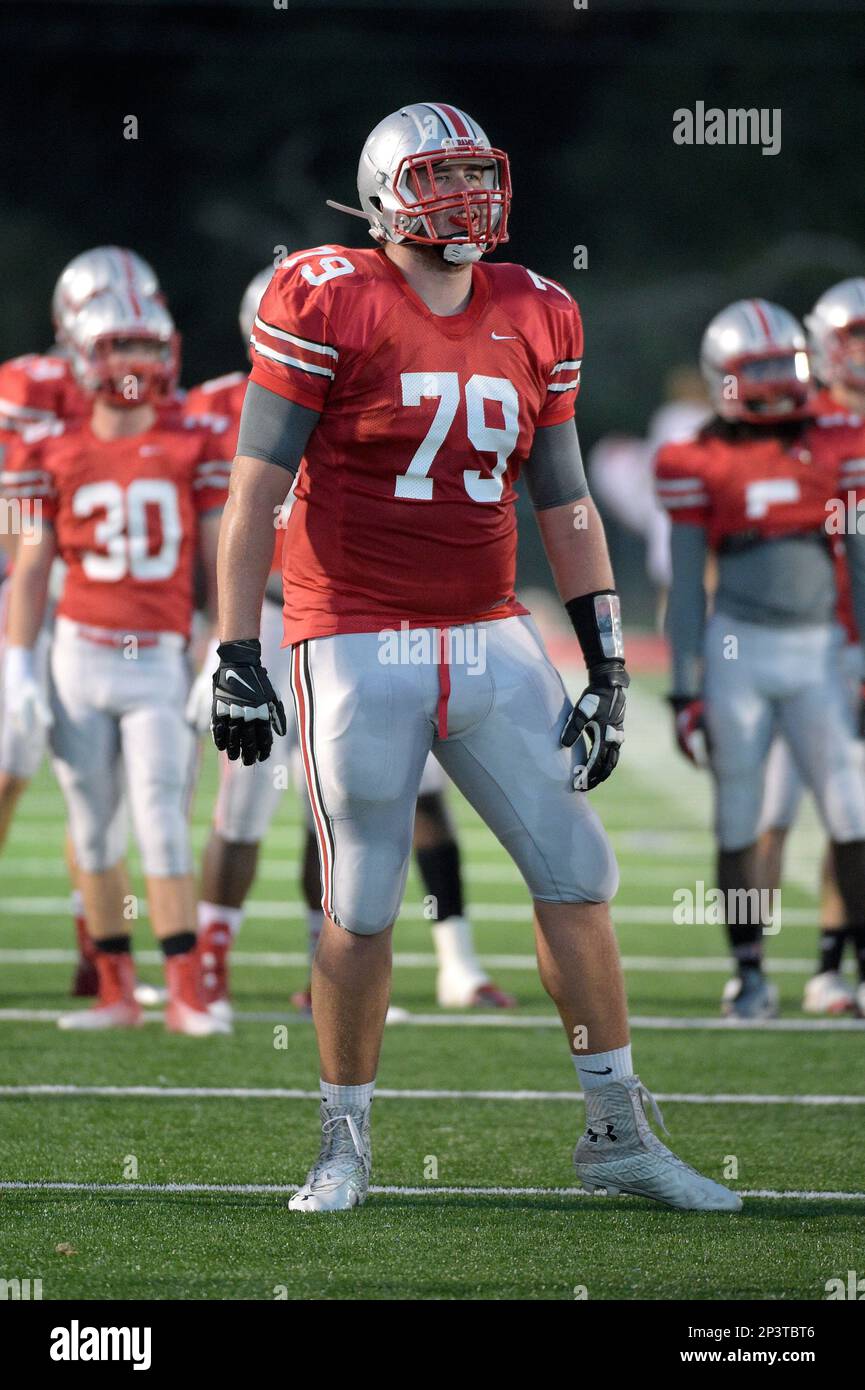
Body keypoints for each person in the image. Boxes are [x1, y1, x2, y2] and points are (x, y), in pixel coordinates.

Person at [210, 102, 740, 1213]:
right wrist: (236, 651)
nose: (465, 195)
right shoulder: (328, 296)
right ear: (383, 192)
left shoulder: (538, 307)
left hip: (493, 627)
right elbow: (255, 486)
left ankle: (614, 1130)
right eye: (437, 175)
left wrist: (602, 652)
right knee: (361, 896)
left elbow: (564, 492)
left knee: (578, 874)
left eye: (474, 172)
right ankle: (342, 1140)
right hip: (352, 629)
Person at [184, 269, 515, 1020]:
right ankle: (206, 965)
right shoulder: (215, 406)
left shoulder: (369, 383)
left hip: (345, 614)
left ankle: (323, 966)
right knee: (243, 803)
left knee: (332, 800)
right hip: (263, 616)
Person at [2, 283, 231, 1034]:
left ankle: (188, 992)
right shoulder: (46, 450)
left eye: (146, 344)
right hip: (77, 657)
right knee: (94, 828)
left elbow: (216, 563)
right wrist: (19, 664)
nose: (135, 360)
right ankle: (115, 991)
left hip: (160, 659)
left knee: (163, 821)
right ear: (81, 355)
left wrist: (219, 651)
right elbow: (31, 566)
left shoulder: (194, 443)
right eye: (117, 345)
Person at [656, 298, 865, 1019]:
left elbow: (858, 562)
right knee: (740, 818)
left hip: (819, 649)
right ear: (723, 378)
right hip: (737, 648)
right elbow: (685, 585)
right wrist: (682, 688)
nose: (779, 382)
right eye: (761, 370)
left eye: (787, 366)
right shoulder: (696, 458)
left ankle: (852, 968)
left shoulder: (839, 444)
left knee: (850, 809)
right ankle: (748, 970)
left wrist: (861, 655)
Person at [0, 247, 167, 1001]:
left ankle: (96, 946)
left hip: (106, 595)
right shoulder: (28, 385)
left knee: (95, 785)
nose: (126, 350)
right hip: (28, 575)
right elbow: (16, 518)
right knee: (8, 767)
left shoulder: (151, 388)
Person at [755, 278, 865, 1016]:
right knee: (764, 811)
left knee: (850, 815)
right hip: (788, 642)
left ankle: (829, 968)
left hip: (852, 645)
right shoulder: (798, 424)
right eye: (856, 334)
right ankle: (748, 966)